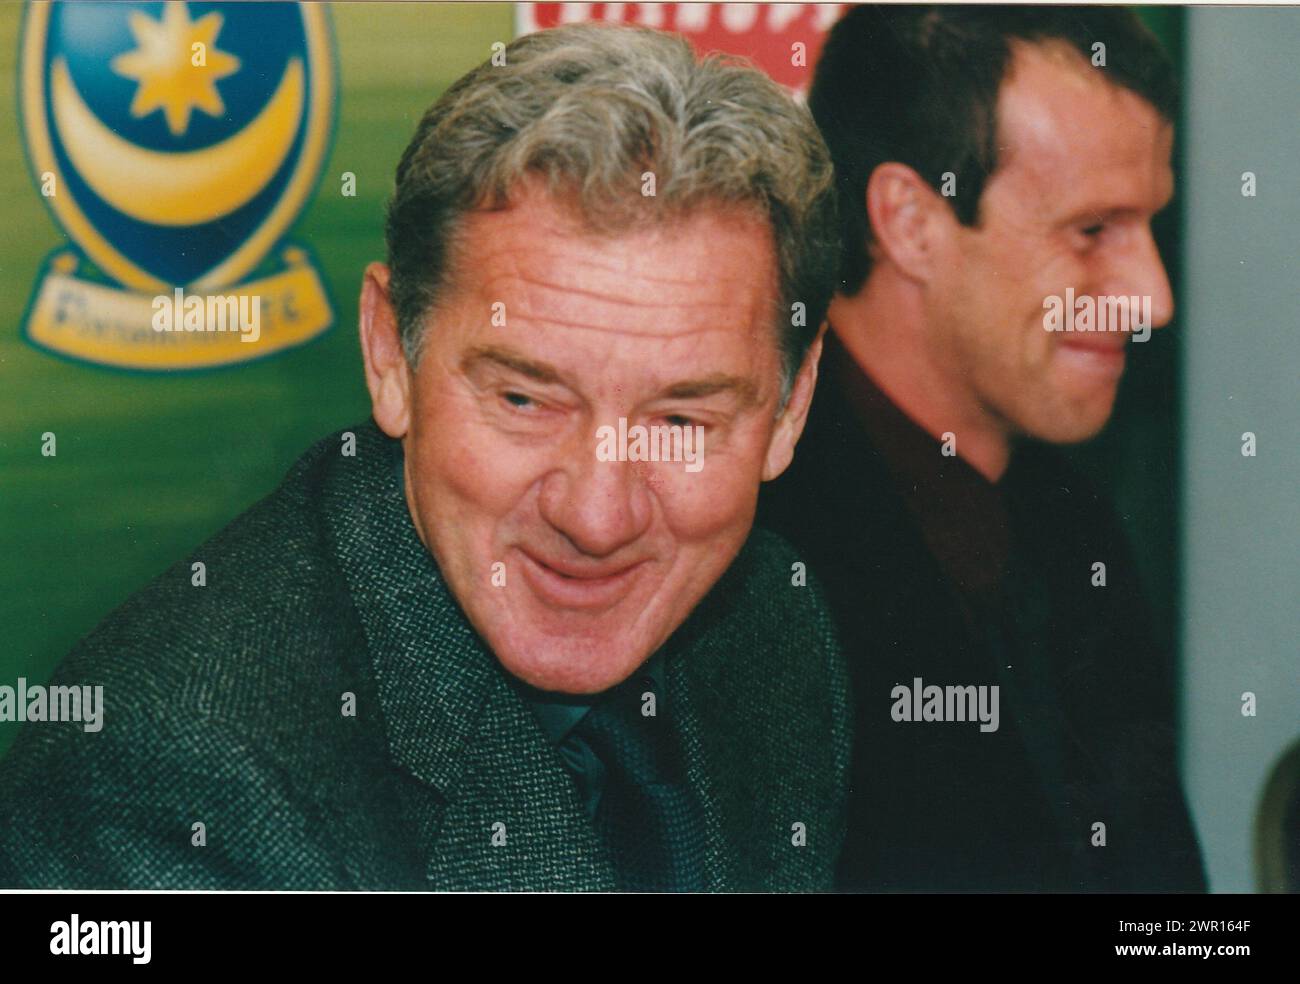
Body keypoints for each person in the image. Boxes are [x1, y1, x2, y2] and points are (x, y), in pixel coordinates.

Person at [0, 23, 849, 891]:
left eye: (680, 421)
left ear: (792, 404)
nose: (598, 519)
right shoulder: (170, 779)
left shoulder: (773, 632)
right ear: (388, 353)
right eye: (524, 400)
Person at [759, 5, 1205, 891]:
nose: (1152, 299)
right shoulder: (739, 549)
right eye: (1092, 231)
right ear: (910, 222)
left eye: (1150, 226)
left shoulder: (1075, 529)